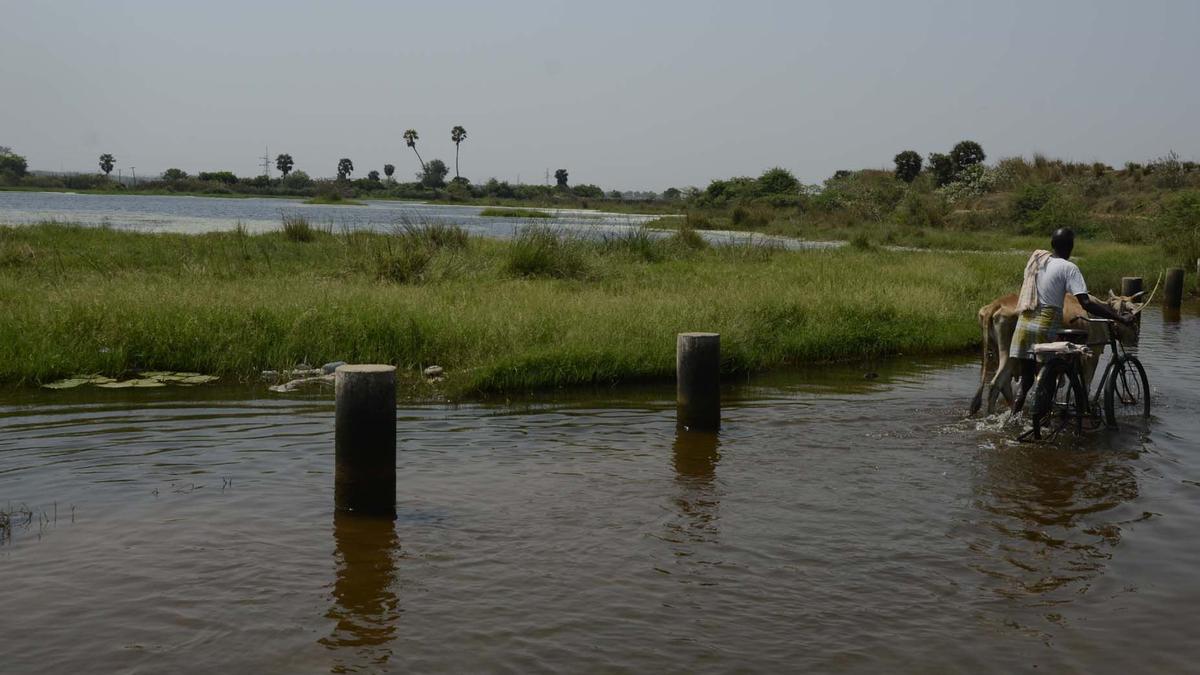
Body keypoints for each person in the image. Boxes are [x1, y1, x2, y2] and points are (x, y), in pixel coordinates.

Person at [1009, 227, 1133, 413]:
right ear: (1071, 247)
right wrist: (1118, 318)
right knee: (1050, 376)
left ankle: (1013, 418)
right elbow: (1086, 303)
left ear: (1052, 245)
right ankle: (1043, 421)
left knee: (1026, 381)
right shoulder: (1070, 268)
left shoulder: (1039, 261)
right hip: (1045, 324)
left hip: (1025, 321)